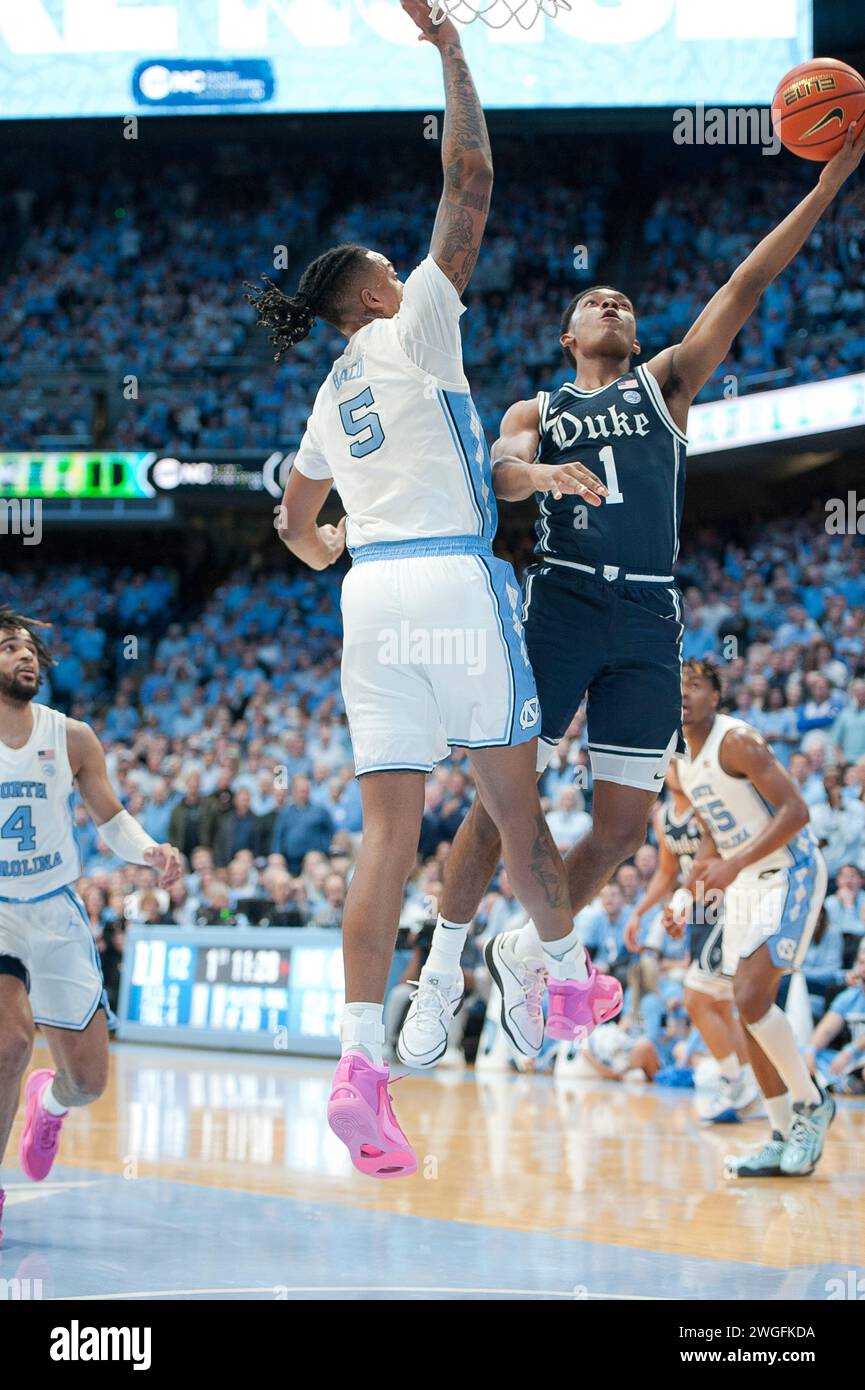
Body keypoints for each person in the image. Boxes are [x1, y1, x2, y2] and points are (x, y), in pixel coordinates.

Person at [400, 116, 865, 1070]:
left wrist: (826, 187)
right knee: (504, 797)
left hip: (651, 616)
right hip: (561, 601)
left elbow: (745, 284)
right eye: (593, 301)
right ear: (567, 334)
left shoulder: (666, 385)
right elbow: (501, 466)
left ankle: (528, 950)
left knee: (617, 829)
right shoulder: (542, 405)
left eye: (622, 299)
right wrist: (540, 481)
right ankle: (440, 968)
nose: (611, 303)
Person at [248, 1, 582, 1178]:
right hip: (449, 574)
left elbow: (292, 522)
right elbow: (472, 173)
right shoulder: (420, 322)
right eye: (394, 265)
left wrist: (328, 553)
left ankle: (357, 1069)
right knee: (511, 803)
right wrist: (448, 45)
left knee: (382, 838)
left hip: (367, 600)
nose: (411, 264)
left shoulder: (327, 392)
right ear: (377, 296)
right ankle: (570, 981)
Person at [0, 606, 181, 1248]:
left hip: (54, 910)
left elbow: (111, 819)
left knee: (90, 1082)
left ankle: (49, 1106)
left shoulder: (71, 735)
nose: (23, 655)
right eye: (6, 647)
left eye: (28, 648)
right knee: (9, 1044)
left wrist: (150, 850)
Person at [675, 659, 832, 1179]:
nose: (684, 694)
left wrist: (734, 864)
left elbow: (797, 811)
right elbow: (712, 835)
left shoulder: (737, 741)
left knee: (749, 996)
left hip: (791, 871)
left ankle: (812, 1105)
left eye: (695, 685)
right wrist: (687, 897)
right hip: (747, 882)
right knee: (747, 1011)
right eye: (677, 686)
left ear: (715, 697)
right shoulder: (679, 761)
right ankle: (782, 1132)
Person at [625, 756, 758, 1123]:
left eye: (681, 762)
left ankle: (734, 1082)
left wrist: (686, 902)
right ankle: (750, 1086)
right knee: (717, 1004)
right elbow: (667, 872)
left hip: (725, 905)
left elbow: (716, 861)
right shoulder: (663, 815)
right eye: (670, 763)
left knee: (698, 999)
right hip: (697, 913)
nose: (675, 769)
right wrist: (640, 911)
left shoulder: (708, 806)